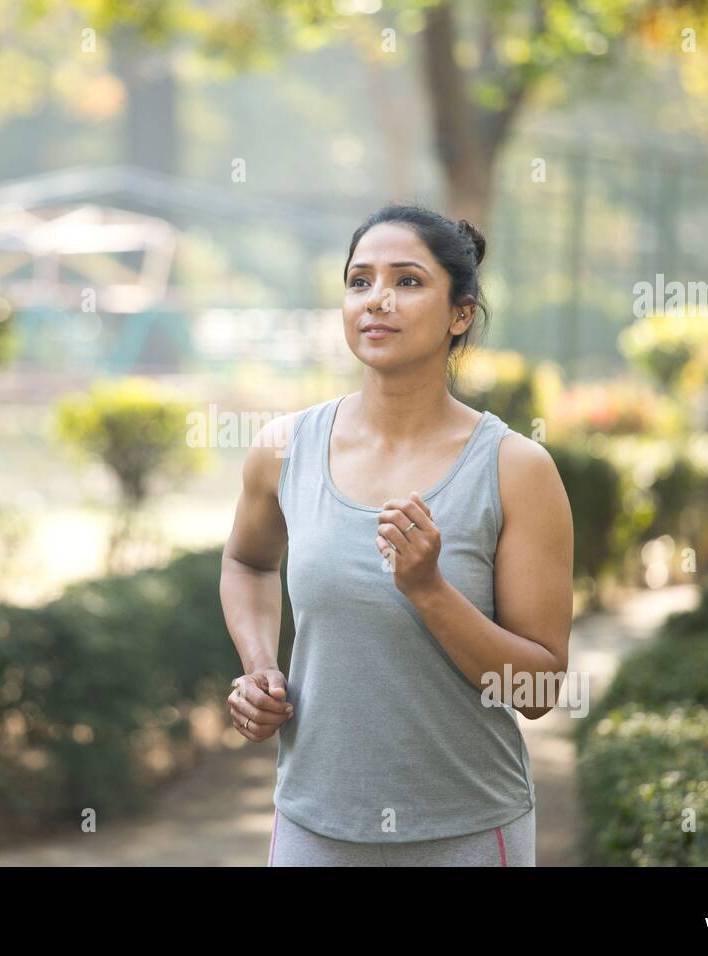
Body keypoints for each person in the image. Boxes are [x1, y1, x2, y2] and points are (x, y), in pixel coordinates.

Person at [219, 204, 574, 866]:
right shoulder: (283, 449)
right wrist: (260, 668)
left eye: (407, 281)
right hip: (312, 826)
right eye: (359, 281)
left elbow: (538, 691)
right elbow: (246, 562)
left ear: (460, 314)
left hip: (466, 833)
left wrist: (427, 589)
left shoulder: (517, 470)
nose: (376, 299)